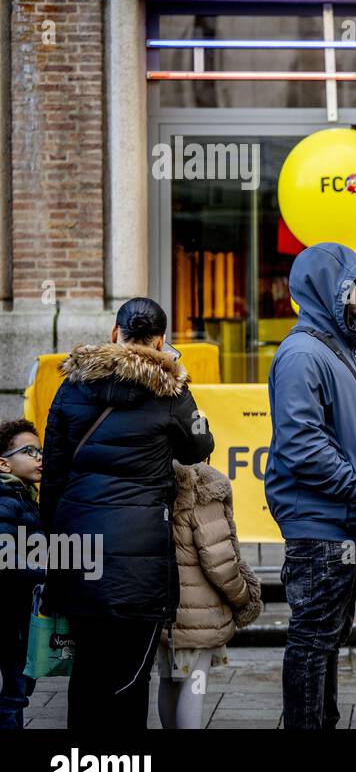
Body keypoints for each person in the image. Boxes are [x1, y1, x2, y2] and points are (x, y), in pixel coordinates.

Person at [40, 297, 214, 728]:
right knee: (129, 682)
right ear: (160, 341)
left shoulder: (72, 384)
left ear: (114, 334)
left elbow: (53, 474)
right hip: (140, 562)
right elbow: (199, 446)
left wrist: (52, 550)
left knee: (86, 677)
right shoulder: (169, 390)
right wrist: (179, 374)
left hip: (79, 552)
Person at [265, 243, 356, 730]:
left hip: (339, 521)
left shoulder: (335, 349)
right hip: (321, 525)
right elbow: (301, 442)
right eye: (354, 284)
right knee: (313, 639)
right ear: (325, 289)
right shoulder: (302, 353)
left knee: (326, 640)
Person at [158, 461, 262, 729]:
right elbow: (221, 563)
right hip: (201, 613)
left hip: (163, 607)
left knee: (169, 680)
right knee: (195, 682)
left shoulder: (156, 479)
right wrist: (244, 598)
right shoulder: (204, 488)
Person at [0, 419, 43, 729]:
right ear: (4, 463)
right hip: (8, 612)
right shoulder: (5, 499)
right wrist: (47, 570)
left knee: (20, 687)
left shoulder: (23, 495)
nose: (39, 457)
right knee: (15, 691)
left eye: (40, 451)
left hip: (16, 611)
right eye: (29, 451)